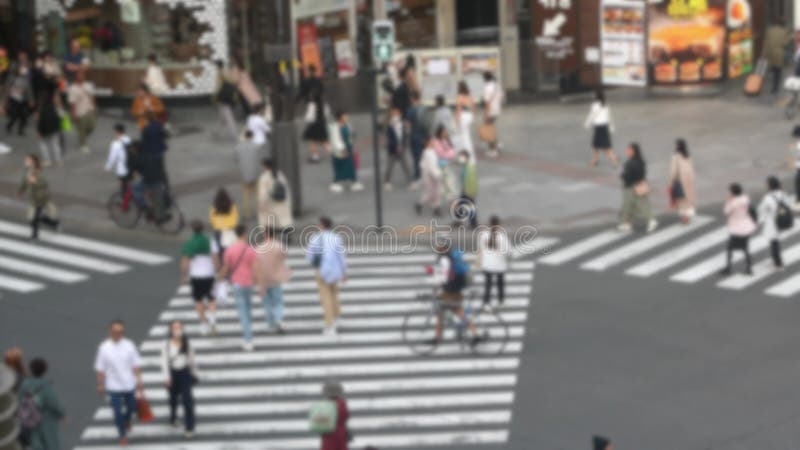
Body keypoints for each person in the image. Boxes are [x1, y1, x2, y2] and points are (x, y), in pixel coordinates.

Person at [94, 319, 144, 446]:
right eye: (115, 331)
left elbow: (135, 364)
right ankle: (122, 435)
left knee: (132, 407)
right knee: (117, 412)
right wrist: (100, 384)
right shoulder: (104, 347)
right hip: (113, 385)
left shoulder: (129, 345)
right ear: (110, 331)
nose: (118, 334)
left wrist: (139, 380)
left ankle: (126, 420)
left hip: (129, 383)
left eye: (121, 331)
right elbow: (100, 368)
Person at [218, 224, 258, 351]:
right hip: (249, 282)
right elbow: (255, 267)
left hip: (237, 283)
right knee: (248, 308)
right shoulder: (251, 249)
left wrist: (219, 279)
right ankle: (248, 332)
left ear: (235, 234)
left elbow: (226, 267)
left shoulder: (230, 250)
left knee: (243, 312)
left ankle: (248, 339)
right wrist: (258, 281)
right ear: (245, 234)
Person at [430, 243, 480, 345]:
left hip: (450, 291)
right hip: (455, 290)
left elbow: (443, 277)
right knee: (451, 312)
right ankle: (474, 334)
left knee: (446, 312)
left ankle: (437, 337)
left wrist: (435, 287)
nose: (437, 249)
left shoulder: (445, 260)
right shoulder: (452, 257)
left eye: (439, 247)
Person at [307, 217, 347, 336]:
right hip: (335, 271)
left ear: (322, 225)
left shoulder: (315, 238)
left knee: (326, 298)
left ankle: (330, 325)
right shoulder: (336, 238)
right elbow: (341, 257)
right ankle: (336, 317)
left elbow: (309, 256)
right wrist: (344, 272)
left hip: (322, 271)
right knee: (334, 294)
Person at [181, 220, 220, 335]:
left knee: (198, 301)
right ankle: (212, 319)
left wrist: (183, 275)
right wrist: (218, 270)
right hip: (209, 275)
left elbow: (185, 260)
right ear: (203, 229)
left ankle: (203, 324)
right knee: (212, 298)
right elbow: (215, 258)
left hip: (196, 276)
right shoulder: (210, 241)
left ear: (192, 230)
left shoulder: (190, 243)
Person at [18, 358, 66, 450]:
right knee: (51, 442)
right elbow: (53, 402)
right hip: (46, 419)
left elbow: (19, 399)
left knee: (36, 442)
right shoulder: (45, 386)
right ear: (44, 370)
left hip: (30, 418)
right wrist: (63, 414)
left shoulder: (24, 384)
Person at [160, 320, 197, 439]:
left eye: (179, 327)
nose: (177, 330)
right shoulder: (166, 344)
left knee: (188, 401)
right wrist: (166, 377)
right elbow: (164, 362)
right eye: (175, 328)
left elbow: (192, 359)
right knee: (173, 399)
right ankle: (173, 417)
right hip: (172, 374)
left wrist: (195, 373)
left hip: (185, 373)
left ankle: (189, 427)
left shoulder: (187, 343)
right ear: (171, 330)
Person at [255, 226, 291, 334]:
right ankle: (279, 319)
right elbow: (284, 256)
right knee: (278, 301)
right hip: (275, 277)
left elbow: (256, 264)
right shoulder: (279, 245)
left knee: (267, 302)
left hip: (264, 278)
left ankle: (271, 323)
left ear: (265, 234)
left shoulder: (259, 248)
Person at [17, 154, 60, 240]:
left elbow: (45, 184)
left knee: (33, 219)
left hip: (40, 198)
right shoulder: (28, 171)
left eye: (27, 160)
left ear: (32, 162)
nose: (25, 162)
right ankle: (53, 223)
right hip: (33, 198)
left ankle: (35, 236)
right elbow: (25, 181)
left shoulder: (37, 171)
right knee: (34, 218)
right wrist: (21, 190)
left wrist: (35, 181)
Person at [618, 143, 658, 233]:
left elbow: (626, 176)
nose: (627, 152)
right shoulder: (641, 161)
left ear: (633, 151)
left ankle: (651, 220)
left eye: (628, 150)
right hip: (640, 185)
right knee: (637, 205)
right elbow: (643, 173)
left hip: (630, 187)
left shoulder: (630, 163)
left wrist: (623, 176)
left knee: (630, 205)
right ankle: (626, 224)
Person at [720, 183, 756, 276]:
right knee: (745, 248)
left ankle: (728, 267)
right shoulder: (745, 198)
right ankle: (749, 268)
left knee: (730, 248)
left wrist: (728, 201)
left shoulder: (733, 202)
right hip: (746, 225)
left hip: (736, 227)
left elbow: (726, 212)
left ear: (732, 192)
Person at [758, 176, 790, 271]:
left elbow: (762, 210)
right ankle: (777, 261)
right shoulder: (783, 194)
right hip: (782, 220)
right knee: (775, 242)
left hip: (772, 223)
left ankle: (778, 264)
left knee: (774, 243)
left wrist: (760, 222)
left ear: (770, 186)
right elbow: (788, 204)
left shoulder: (768, 197)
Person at [478, 216, 508, 307]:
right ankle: (501, 301)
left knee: (488, 284)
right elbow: (507, 250)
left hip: (487, 264)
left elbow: (480, 248)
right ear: (498, 224)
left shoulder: (483, 235)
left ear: (489, 223)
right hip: (499, 265)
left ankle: (486, 303)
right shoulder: (501, 236)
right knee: (500, 283)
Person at [330, 111, 363, 193]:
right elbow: (335, 140)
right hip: (340, 150)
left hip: (349, 148)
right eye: (344, 116)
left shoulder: (348, 125)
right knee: (340, 167)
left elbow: (352, 136)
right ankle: (335, 183)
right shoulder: (334, 127)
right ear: (340, 118)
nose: (346, 118)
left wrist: (353, 138)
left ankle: (354, 182)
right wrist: (342, 150)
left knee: (351, 166)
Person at [584, 90, 618, 168]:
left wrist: (587, 124)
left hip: (598, 128)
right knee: (597, 145)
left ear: (596, 96)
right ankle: (595, 160)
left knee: (604, 147)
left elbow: (592, 115)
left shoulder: (595, 105)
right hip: (605, 127)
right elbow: (609, 117)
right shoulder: (605, 105)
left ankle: (614, 160)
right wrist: (611, 127)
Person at [258, 158, 294, 230]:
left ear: (265, 166)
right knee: (284, 219)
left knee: (267, 219)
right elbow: (286, 188)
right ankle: (286, 231)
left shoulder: (264, 177)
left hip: (271, 202)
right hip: (282, 201)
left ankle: (269, 235)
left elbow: (263, 194)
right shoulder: (280, 174)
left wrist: (261, 205)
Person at [234, 130, 263, 221]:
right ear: (252, 136)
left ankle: (247, 213)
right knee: (257, 194)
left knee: (246, 195)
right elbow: (260, 159)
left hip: (244, 174)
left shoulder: (237, 148)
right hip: (255, 174)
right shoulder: (257, 147)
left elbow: (236, 159)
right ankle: (260, 211)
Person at [668, 138, 697, 224]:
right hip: (689, 180)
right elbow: (691, 167)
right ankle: (687, 216)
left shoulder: (675, 157)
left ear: (677, 146)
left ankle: (684, 218)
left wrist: (671, 182)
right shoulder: (688, 155)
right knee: (688, 200)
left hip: (680, 180)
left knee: (681, 200)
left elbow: (673, 171)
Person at [67, 71, 96, 153]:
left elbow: (92, 96)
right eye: (80, 76)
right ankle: (83, 144)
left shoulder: (88, 85)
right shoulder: (73, 88)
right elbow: (72, 102)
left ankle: (82, 136)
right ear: (76, 77)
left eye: (83, 75)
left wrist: (94, 107)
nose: (82, 77)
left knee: (92, 126)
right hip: (80, 111)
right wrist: (73, 113)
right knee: (81, 128)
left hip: (89, 109)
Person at [384, 106, 411, 191]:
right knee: (389, 166)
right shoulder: (389, 125)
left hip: (401, 149)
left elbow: (405, 135)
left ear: (399, 114)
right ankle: (387, 182)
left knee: (405, 165)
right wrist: (395, 146)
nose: (395, 115)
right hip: (392, 149)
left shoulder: (402, 124)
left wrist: (402, 145)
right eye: (393, 113)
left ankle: (410, 180)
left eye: (396, 113)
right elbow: (389, 138)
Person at [5, 58, 33, 136]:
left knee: (24, 115)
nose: (24, 69)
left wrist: (31, 99)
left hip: (23, 99)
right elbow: (7, 88)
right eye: (22, 67)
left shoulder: (26, 79)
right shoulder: (13, 77)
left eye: (25, 67)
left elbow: (29, 89)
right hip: (14, 98)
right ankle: (9, 125)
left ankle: (21, 130)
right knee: (14, 115)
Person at [762, 19, 791, 96]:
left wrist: (763, 55)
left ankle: (773, 86)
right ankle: (775, 88)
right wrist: (790, 37)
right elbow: (785, 43)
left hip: (770, 54)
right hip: (779, 54)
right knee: (778, 72)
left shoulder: (769, 31)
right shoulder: (783, 31)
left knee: (773, 70)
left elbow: (766, 43)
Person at [416, 136, 443, 217]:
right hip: (429, 177)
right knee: (430, 193)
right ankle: (419, 204)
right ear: (428, 143)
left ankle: (436, 208)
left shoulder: (431, 151)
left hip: (433, 175)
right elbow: (431, 167)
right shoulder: (428, 153)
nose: (434, 142)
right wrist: (438, 175)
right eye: (432, 141)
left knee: (437, 192)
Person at [405, 91, 428, 184]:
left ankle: (418, 175)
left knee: (416, 157)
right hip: (425, 136)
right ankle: (426, 174)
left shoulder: (411, 110)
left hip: (415, 136)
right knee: (425, 155)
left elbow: (408, 125)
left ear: (412, 98)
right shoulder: (425, 109)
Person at [209, 188, 239, 258]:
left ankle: (223, 265)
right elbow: (235, 218)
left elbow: (212, 219)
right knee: (232, 251)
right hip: (230, 230)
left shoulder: (214, 206)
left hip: (219, 231)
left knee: (221, 252)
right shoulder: (232, 205)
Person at [213, 60, 238, 141]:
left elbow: (218, 87)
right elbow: (233, 82)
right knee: (221, 117)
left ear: (217, 65)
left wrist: (216, 96)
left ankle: (234, 134)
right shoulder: (225, 72)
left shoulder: (220, 73)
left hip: (222, 97)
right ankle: (216, 132)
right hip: (225, 97)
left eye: (216, 65)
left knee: (227, 116)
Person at [320, 381, 349, 450]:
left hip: (327, 433)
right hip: (340, 433)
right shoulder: (341, 403)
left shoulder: (325, 404)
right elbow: (346, 415)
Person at [36, 90, 62, 167]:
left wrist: (39, 131)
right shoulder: (55, 107)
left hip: (45, 130)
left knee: (43, 144)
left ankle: (47, 160)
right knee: (55, 145)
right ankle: (58, 161)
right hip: (55, 129)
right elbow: (60, 117)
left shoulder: (42, 108)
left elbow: (41, 121)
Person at [104, 124, 131, 197]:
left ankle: (125, 196)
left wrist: (108, 167)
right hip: (130, 165)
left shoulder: (115, 144)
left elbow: (112, 156)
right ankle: (128, 193)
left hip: (122, 167)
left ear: (117, 132)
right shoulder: (128, 139)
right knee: (127, 181)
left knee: (122, 182)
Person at [303, 89, 329, 163]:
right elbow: (327, 113)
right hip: (322, 123)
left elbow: (308, 117)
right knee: (324, 140)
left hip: (313, 125)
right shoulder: (323, 104)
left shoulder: (312, 105)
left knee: (312, 140)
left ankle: (315, 156)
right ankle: (333, 152)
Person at [481, 71, 503, 158]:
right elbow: (501, 96)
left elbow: (487, 102)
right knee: (491, 127)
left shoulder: (487, 87)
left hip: (490, 111)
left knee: (488, 130)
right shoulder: (497, 85)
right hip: (497, 109)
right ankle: (497, 143)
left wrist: (486, 113)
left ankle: (493, 149)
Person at [453, 80, 476, 162]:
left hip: (463, 116)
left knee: (463, 136)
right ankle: (468, 154)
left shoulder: (460, 97)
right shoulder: (470, 96)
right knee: (466, 134)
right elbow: (473, 108)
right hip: (469, 116)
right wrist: (472, 117)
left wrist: (456, 121)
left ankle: (466, 155)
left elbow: (458, 110)